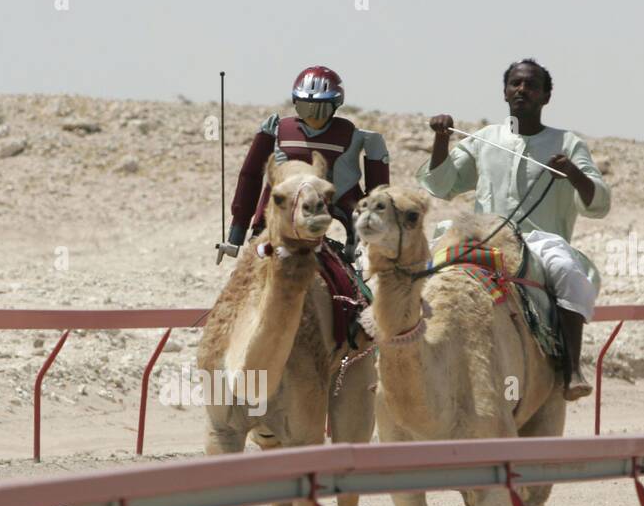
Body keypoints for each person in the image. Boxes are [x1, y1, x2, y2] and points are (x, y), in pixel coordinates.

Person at [418, 58, 610, 399]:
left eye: (531, 85)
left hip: (540, 242)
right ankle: (402, 359)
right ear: (505, 92)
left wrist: (573, 174)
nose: (522, 90)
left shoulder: (567, 143)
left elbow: (600, 203)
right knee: (424, 268)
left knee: (567, 271)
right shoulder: (485, 139)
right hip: (485, 236)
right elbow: (441, 185)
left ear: (546, 96)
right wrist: (440, 140)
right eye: (515, 84)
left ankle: (572, 367)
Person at [220, 65, 390, 260]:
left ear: (335, 105)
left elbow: (378, 191)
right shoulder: (276, 129)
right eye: (304, 108)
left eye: (320, 109)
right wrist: (237, 232)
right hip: (282, 200)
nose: (312, 116)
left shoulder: (353, 136)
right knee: (255, 253)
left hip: (339, 199)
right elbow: (250, 175)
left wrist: (378, 232)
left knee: (359, 254)